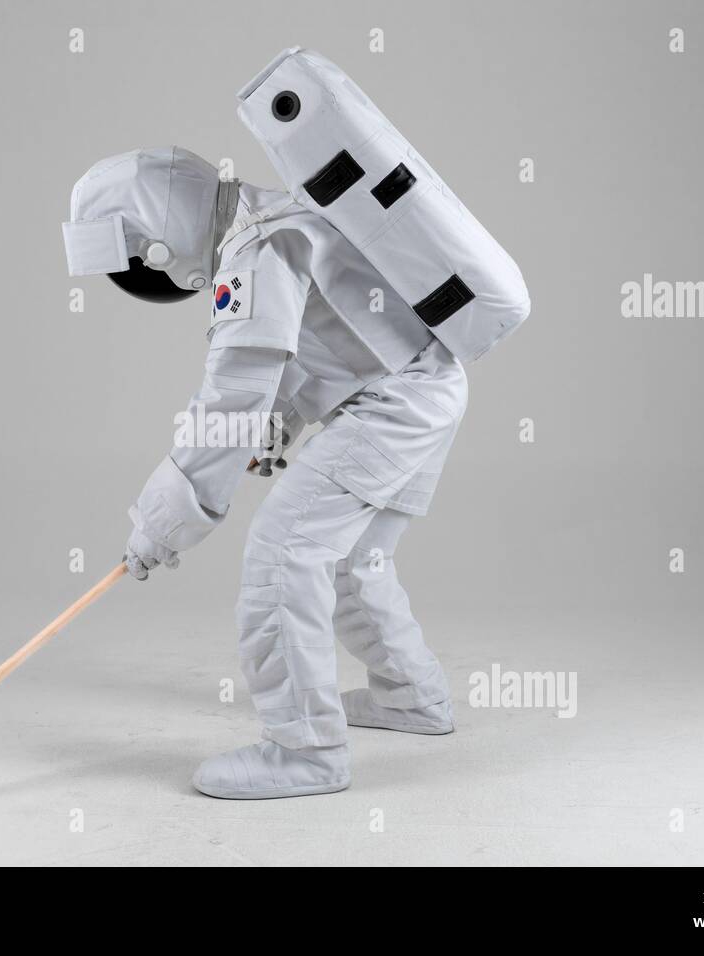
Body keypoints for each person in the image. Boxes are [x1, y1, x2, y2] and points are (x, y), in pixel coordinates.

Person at [61, 145, 528, 798]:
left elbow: (233, 395)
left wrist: (159, 525)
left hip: (395, 405)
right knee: (355, 558)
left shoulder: (256, 250)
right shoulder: (283, 217)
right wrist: (276, 427)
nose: (141, 274)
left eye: (134, 257)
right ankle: (411, 697)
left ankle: (305, 750)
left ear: (155, 237)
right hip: (431, 384)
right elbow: (327, 342)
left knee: (284, 553)